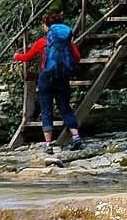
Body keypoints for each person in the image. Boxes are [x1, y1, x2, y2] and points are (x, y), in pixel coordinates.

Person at [14, 12, 84, 154]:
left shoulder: (43, 42)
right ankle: (76, 137)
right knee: (65, 108)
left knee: (46, 110)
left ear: (47, 26)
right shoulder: (67, 42)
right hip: (62, 78)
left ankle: (48, 144)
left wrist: (17, 56)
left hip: (46, 78)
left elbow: (27, 57)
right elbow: (77, 58)